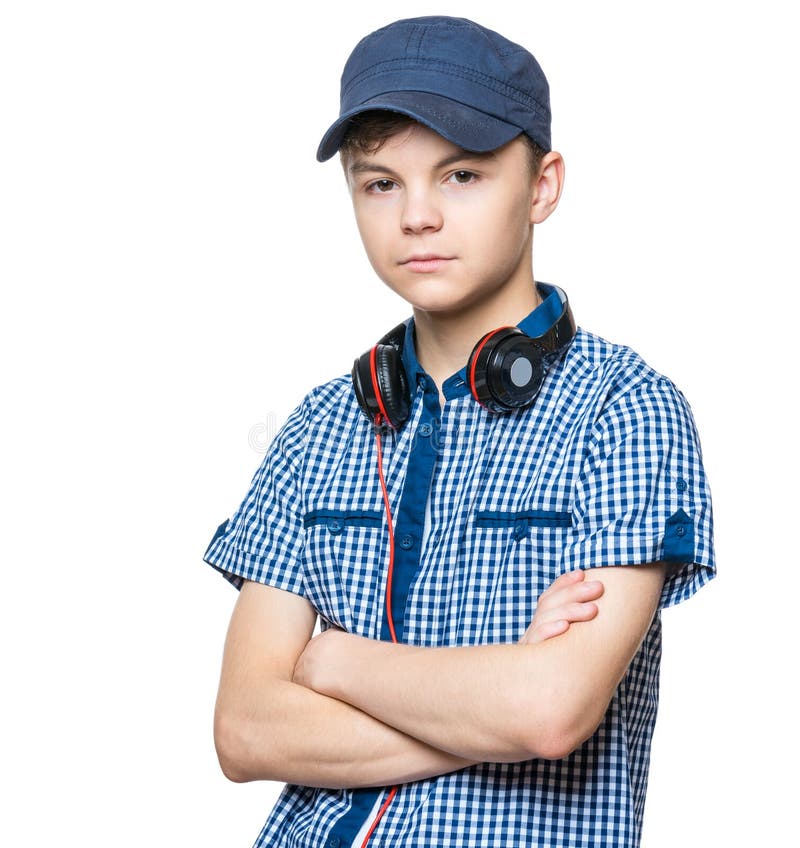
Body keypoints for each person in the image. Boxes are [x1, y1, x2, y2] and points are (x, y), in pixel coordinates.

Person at [202, 15, 715, 848]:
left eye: (462, 175)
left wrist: (334, 663)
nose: (417, 217)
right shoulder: (316, 429)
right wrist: (491, 705)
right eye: (380, 183)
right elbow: (246, 729)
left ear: (542, 184)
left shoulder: (626, 411)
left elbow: (549, 713)